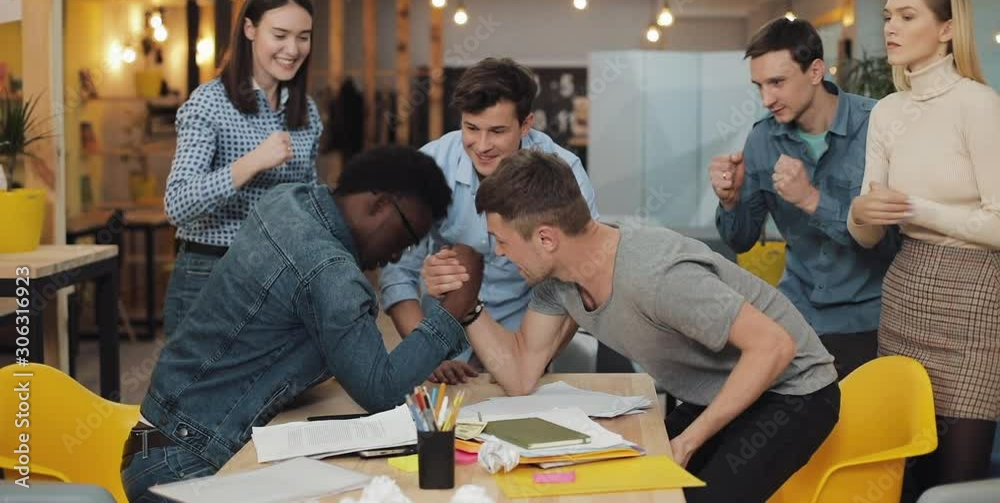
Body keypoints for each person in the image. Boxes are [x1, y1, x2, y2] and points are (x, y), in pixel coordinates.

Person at [464, 149, 840, 503]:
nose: (498, 252)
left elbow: (775, 346)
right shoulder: (559, 283)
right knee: (636, 488)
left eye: (502, 240)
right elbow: (520, 375)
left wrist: (687, 443)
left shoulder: (655, 276)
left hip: (793, 391)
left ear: (546, 238)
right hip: (722, 386)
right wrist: (465, 306)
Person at [121, 146, 485, 501]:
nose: (395, 256)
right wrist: (457, 307)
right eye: (405, 240)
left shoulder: (286, 201)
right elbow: (382, 390)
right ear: (378, 205)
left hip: (160, 443)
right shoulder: (329, 270)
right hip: (186, 466)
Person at [848, 0, 1000, 496]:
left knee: (955, 483)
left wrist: (915, 208)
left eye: (907, 16)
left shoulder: (979, 106)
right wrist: (859, 213)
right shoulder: (887, 111)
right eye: (888, 15)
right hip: (905, 292)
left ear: (947, 29)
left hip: (975, 300)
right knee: (900, 476)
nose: (890, 27)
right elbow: (868, 231)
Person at [378, 57, 598, 384]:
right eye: (471, 129)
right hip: (444, 339)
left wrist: (534, 362)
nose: (481, 146)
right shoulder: (429, 166)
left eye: (497, 131)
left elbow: (581, 279)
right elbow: (398, 272)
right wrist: (422, 351)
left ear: (526, 124)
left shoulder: (565, 175)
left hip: (523, 341)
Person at [711, 17, 898, 380]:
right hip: (795, 318)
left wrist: (811, 199)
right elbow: (741, 240)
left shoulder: (877, 126)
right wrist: (730, 201)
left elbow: (891, 241)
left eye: (777, 83)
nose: (766, 100)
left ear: (815, 71)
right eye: (759, 86)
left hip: (869, 324)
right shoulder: (762, 139)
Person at [162, 0, 323, 337]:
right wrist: (252, 162)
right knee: (199, 376)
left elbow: (308, 206)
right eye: (279, 35)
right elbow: (177, 204)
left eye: (303, 37)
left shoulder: (307, 112)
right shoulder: (209, 103)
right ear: (250, 29)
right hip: (209, 274)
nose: (293, 49)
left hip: (278, 280)